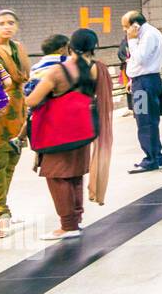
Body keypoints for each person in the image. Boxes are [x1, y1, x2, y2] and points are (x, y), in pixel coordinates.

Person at [26, 28, 114, 238]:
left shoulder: (57, 71)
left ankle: (67, 226)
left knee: (56, 177)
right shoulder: (98, 68)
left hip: (57, 132)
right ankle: (76, 220)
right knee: (75, 176)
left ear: (69, 47)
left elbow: (32, 100)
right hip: (85, 130)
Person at [0, 10, 30, 238]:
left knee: (13, 160)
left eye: (11, 23)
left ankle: (2, 209)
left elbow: (26, 74)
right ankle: (0, 212)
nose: (7, 27)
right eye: (2, 23)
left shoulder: (18, 47)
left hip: (18, 109)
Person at [125, 11, 162, 173]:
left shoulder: (147, 36)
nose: (125, 31)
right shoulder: (151, 33)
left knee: (144, 121)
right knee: (150, 120)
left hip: (144, 84)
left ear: (135, 25)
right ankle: (157, 156)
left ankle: (151, 159)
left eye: (126, 27)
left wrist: (132, 40)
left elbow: (140, 58)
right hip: (143, 81)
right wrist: (132, 79)